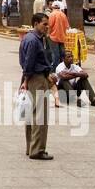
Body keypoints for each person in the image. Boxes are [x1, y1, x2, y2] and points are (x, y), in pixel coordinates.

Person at [18, 11, 56, 160]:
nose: (47, 27)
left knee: (30, 113)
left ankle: (31, 147)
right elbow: (29, 63)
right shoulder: (34, 41)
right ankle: (37, 150)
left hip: (32, 77)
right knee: (40, 115)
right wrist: (26, 80)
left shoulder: (30, 38)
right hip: (36, 79)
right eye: (44, 24)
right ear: (35, 24)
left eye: (48, 24)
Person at [47, 0, 70, 68]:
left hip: (53, 37)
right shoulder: (63, 15)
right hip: (62, 37)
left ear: (53, 7)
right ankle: (62, 67)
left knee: (55, 54)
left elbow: (50, 26)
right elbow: (67, 26)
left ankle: (55, 68)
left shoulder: (52, 14)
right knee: (62, 53)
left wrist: (48, 34)